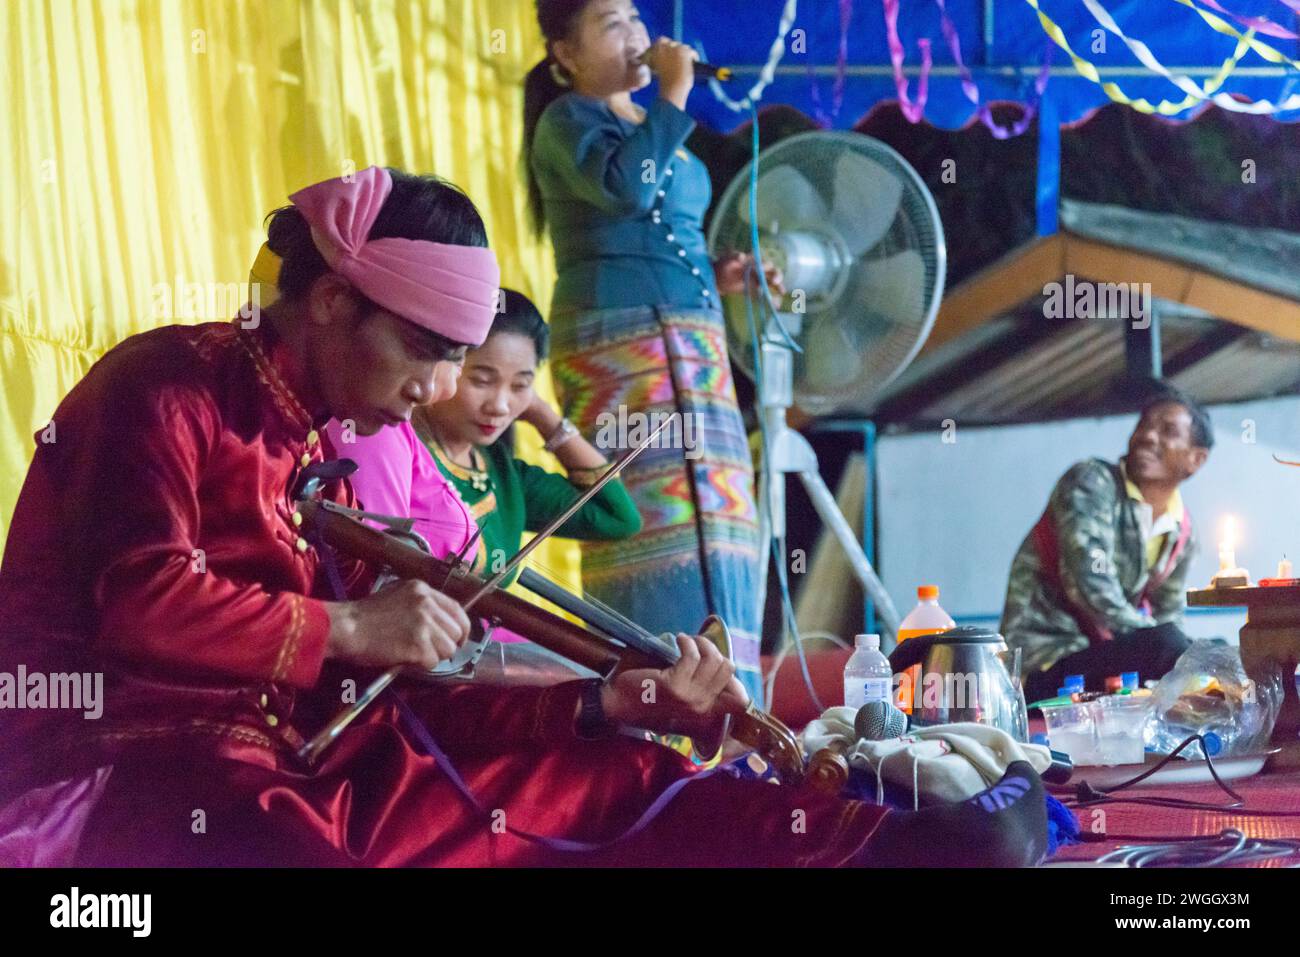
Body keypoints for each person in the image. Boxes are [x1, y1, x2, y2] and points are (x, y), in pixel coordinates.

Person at [0, 166, 1047, 868]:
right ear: (329, 300)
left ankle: (857, 836)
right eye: (426, 352)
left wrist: (602, 706)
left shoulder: (328, 452)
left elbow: (408, 686)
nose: (438, 387)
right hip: (134, 762)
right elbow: (138, 601)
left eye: (458, 363)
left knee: (616, 773)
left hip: (314, 751)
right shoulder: (166, 388)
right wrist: (353, 629)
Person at [523, 0, 782, 704]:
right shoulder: (566, 122)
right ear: (565, 55)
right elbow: (625, 190)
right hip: (618, 344)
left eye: (636, 20)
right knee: (651, 520)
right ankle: (659, 710)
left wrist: (726, 275)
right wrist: (674, 92)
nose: (637, 36)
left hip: (694, 343)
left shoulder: (656, 129)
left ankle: (738, 711)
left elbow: (669, 227)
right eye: (611, 23)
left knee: (720, 519)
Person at [1003, 389, 1213, 703]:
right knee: (1172, 646)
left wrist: (1183, 651)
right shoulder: (1091, 482)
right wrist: (1173, 647)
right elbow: (1091, 589)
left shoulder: (1182, 531)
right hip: (1042, 663)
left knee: (1211, 649)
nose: (1148, 436)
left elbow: (1169, 613)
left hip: (1102, 657)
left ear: (1196, 459)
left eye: (1167, 431)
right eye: (1143, 425)